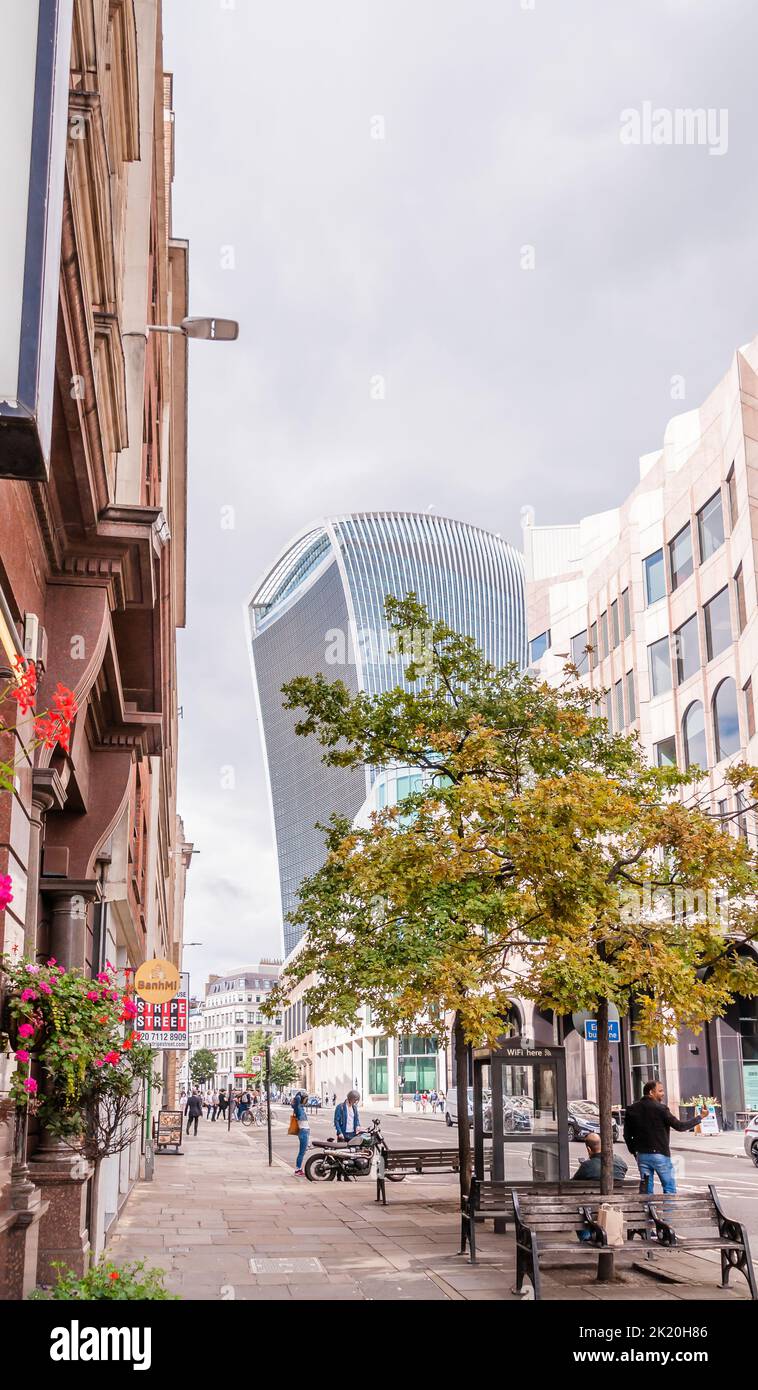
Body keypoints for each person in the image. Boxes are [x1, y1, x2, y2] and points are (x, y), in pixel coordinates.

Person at [624, 1079, 708, 1194]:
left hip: (642, 1154)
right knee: (669, 1188)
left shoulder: (632, 1109)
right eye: (660, 1091)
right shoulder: (661, 1109)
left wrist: (634, 1151)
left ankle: (646, 1210)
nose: (663, 1094)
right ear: (651, 1092)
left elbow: (627, 1135)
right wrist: (700, 1117)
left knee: (646, 1190)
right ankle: (669, 1212)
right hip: (660, 1154)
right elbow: (680, 1126)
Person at [292, 1090, 310, 1175]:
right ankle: (297, 1169)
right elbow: (297, 1101)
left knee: (303, 1151)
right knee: (302, 1152)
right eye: (305, 1099)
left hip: (305, 1131)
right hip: (303, 1132)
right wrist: (299, 1095)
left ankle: (299, 1168)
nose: (306, 1100)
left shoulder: (301, 1107)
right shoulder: (298, 1108)